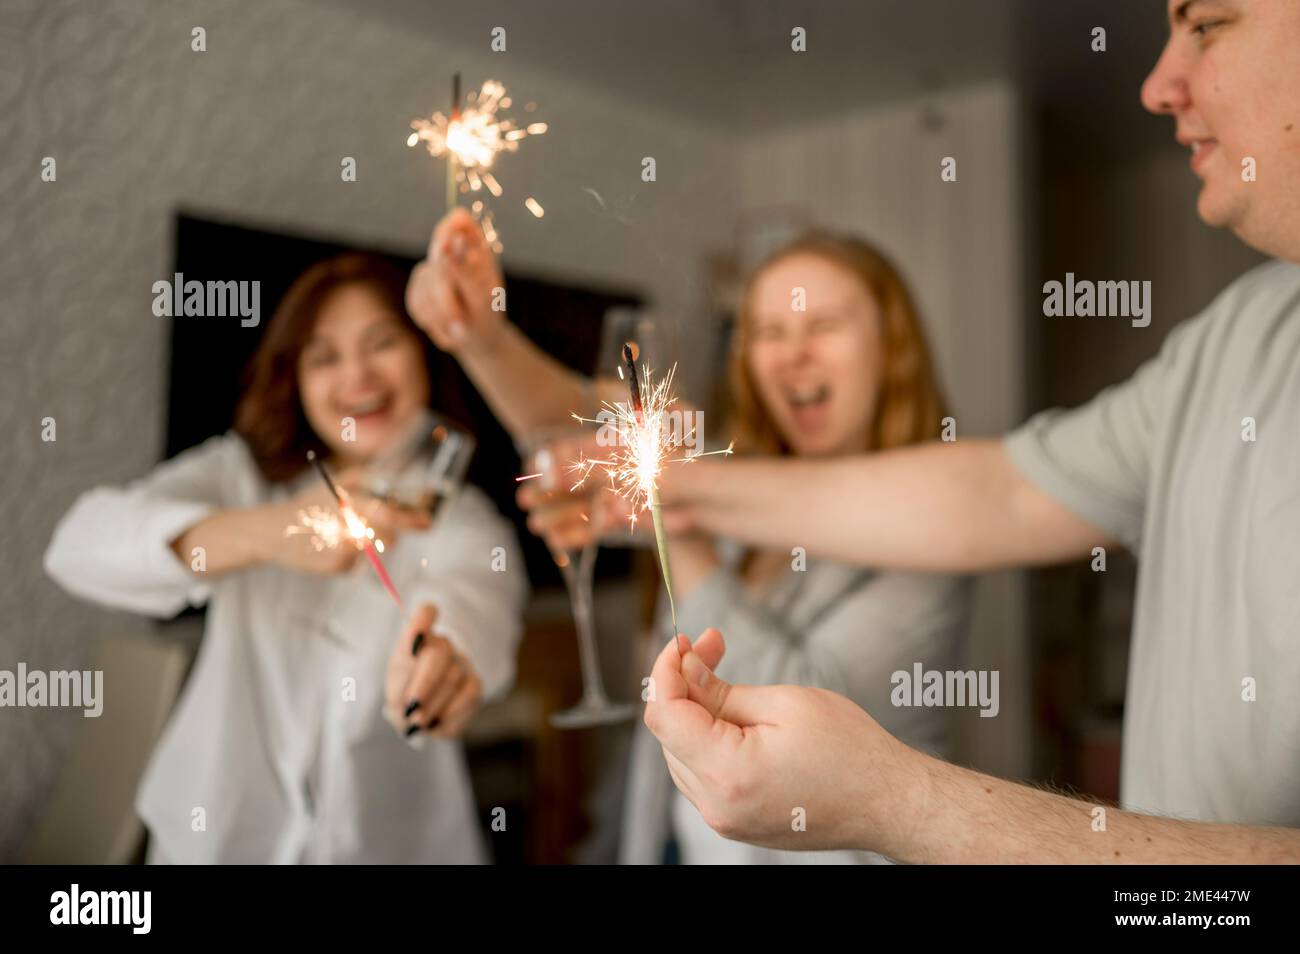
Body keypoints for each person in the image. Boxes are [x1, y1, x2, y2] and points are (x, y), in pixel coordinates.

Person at [636, 0, 1300, 862]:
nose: (1155, 85)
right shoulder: (1237, 331)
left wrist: (894, 799)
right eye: (767, 331)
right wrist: (675, 483)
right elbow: (1008, 493)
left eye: (1207, 23)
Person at [406, 218, 971, 863]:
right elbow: (576, 421)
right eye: (769, 331)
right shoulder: (735, 472)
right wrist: (479, 335)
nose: (793, 354)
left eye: (825, 326)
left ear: (891, 349)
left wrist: (683, 532)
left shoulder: (932, 524)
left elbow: (809, 710)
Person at [44, 253, 526, 863]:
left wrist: (446, 664)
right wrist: (269, 533)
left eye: (382, 344)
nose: (358, 376)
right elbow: (78, 545)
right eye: (324, 356)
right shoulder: (236, 476)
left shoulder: (461, 519)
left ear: (424, 355)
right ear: (294, 376)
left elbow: (476, 605)